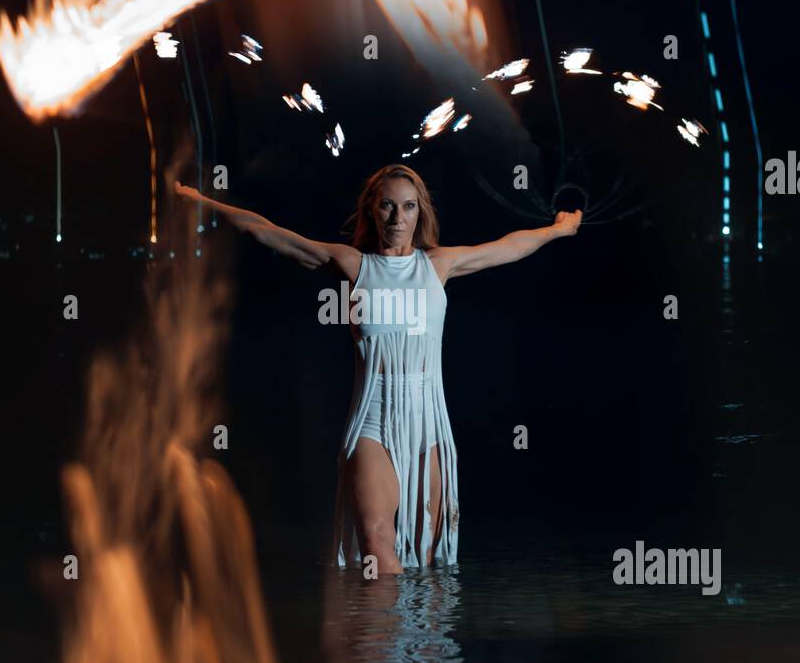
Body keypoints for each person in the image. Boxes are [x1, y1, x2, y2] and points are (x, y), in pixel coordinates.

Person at [175, 165, 581, 573]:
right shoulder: (354, 265)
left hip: (428, 425)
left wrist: (557, 231)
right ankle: (382, 636)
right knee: (376, 543)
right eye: (387, 205)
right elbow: (268, 232)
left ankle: (423, 637)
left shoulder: (438, 265)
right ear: (372, 210)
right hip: (373, 421)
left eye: (407, 207)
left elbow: (508, 247)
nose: (397, 217)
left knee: (425, 555)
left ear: (419, 212)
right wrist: (202, 202)